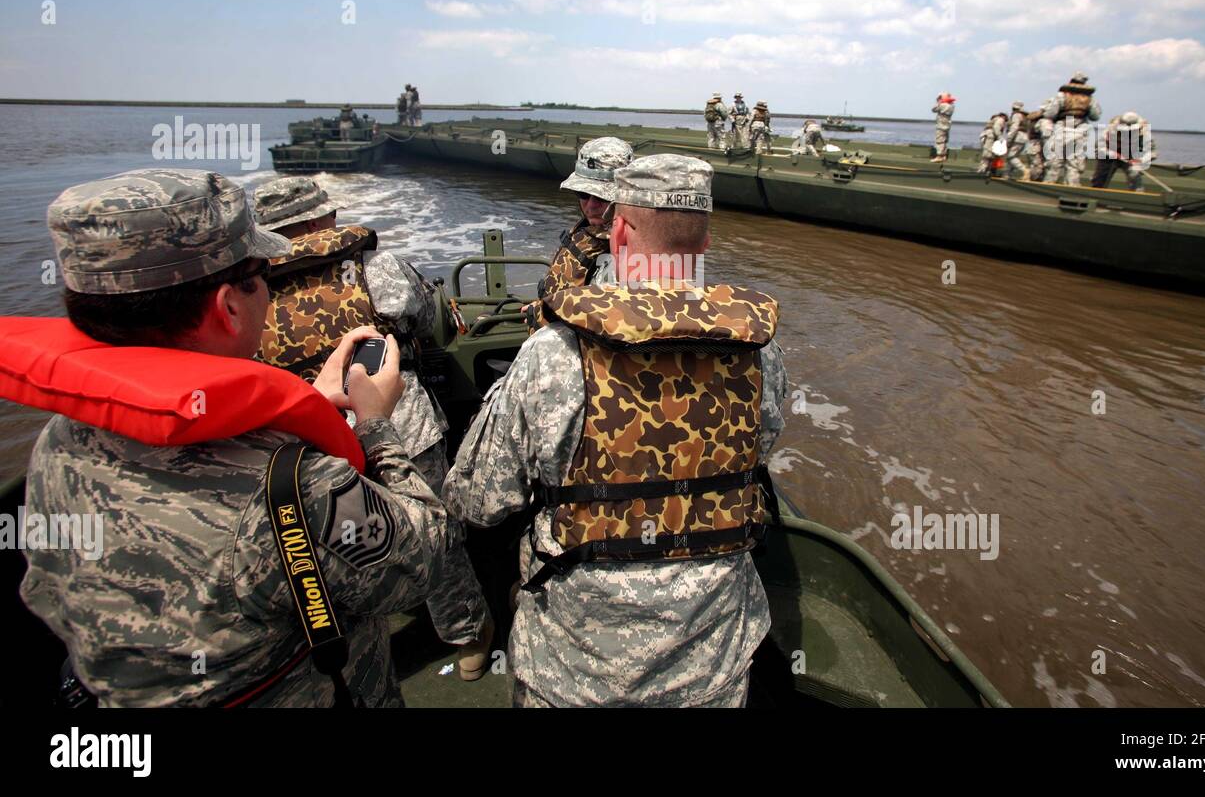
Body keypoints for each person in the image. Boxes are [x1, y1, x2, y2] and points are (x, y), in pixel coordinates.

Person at [19, 169, 460, 706]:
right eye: (262, 276)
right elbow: (425, 559)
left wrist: (308, 410)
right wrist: (374, 427)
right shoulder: (295, 487)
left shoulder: (62, 440)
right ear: (229, 306)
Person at [443, 154, 788, 708]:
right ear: (702, 242)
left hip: (575, 667)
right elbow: (760, 448)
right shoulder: (761, 356)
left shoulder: (555, 353)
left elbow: (478, 500)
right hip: (713, 663)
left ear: (619, 230)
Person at [253, 175, 494, 679]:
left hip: (306, 436)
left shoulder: (250, 290)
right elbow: (429, 317)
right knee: (435, 533)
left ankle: (362, 633)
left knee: (337, 539)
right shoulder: (375, 268)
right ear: (323, 220)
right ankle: (468, 635)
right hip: (397, 421)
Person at [523, 137, 634, 331]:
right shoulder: (595, 229)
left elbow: (604, 324)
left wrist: (543, 314)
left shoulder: (627, 250)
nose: (590, 205)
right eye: (583, 194)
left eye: (601, 197)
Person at [1043, 71, 1102, 186]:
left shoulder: (1062, 96)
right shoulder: (1089, 99)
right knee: (1073, 166)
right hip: (1079, 133)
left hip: (1062, 131)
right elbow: (1095, 116)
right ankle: (1071, 191)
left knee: (1054, 164)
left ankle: (1047, 190)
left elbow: (1049, 114)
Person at [1093, 111, 1155, 191]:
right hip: (1109, 155)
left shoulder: (1145, 133)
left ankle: (1137, 198)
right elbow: (1099, 148)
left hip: (1131, 156)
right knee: (1100, 179)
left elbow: (1152, 152)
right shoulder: (1110, 130)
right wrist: (1114, 154)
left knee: (1135, 175)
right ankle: (1097, 198)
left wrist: (1140, 160)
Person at [976, 112, 1009, 176]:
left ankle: (984, 170)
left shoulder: (995, 119)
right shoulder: (1000, 119)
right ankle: (982, 170)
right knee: (988, 155)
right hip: (990, 137)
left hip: (986, 136)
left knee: (987, 155)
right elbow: (996, 128)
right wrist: (1000, 138)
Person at [1024, 107, 1050, 181]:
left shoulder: (1030, 123)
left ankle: (1033, 178)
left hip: (1032, 145)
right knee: (1037, 165)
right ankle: (1034, 179)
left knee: (1034, 164)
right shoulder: (1038, 124)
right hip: (1035, 144)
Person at [931, 92, 955, 161]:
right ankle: (944, 155)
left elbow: (933, 109)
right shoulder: (952, 105)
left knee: (939, 140)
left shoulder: (942, 105)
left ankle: (939, 156)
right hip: (947, 125)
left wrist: (938, 101)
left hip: (941, 125)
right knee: (944, 140)